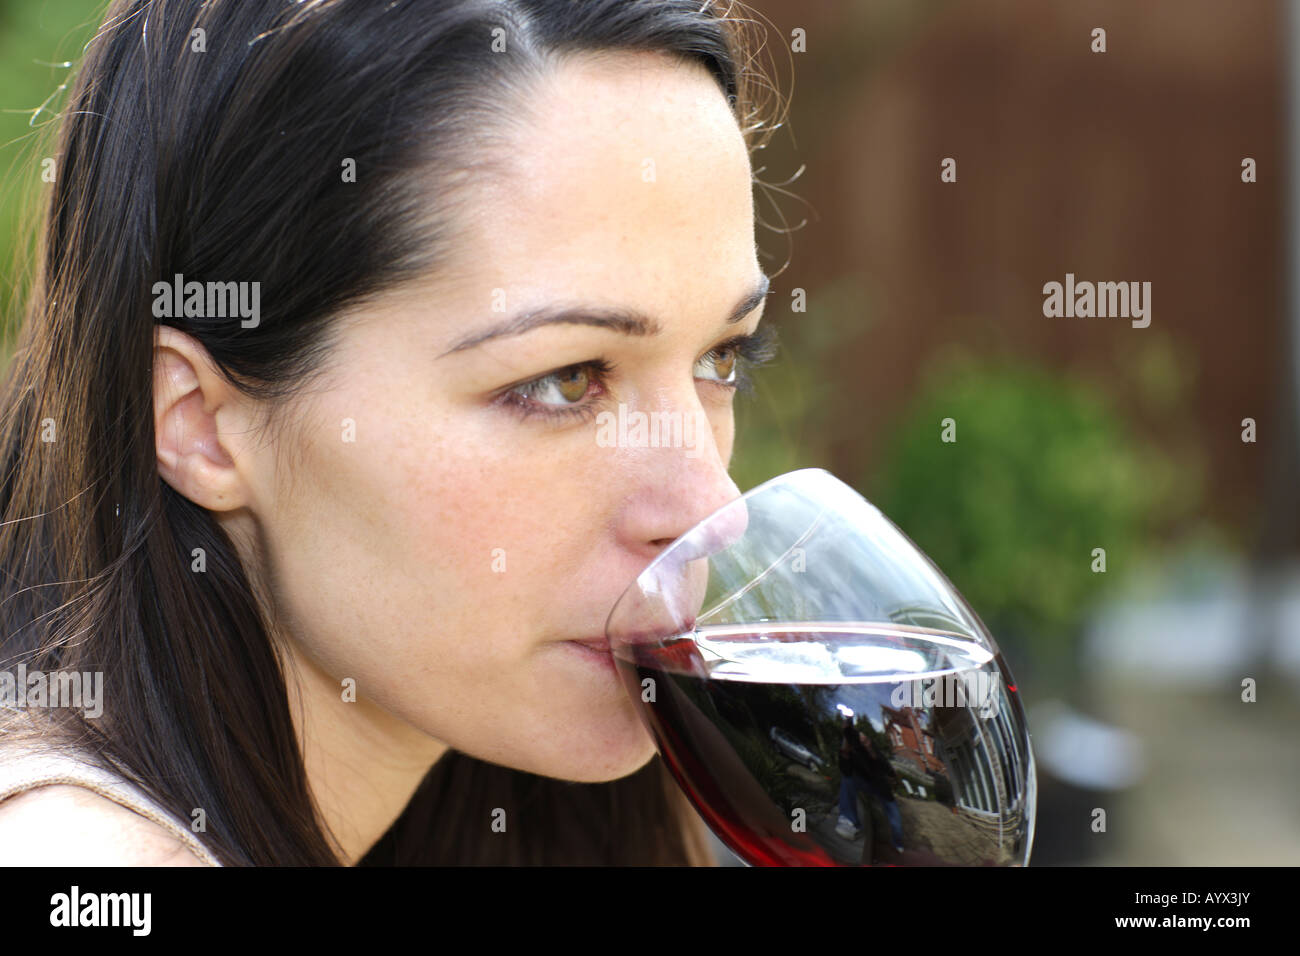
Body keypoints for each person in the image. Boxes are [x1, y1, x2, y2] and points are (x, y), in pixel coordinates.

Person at [0, 0, 786, 865]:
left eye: (722, 359)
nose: (710, 503)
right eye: (562, 382)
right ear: (200, 425)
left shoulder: (501, 796)